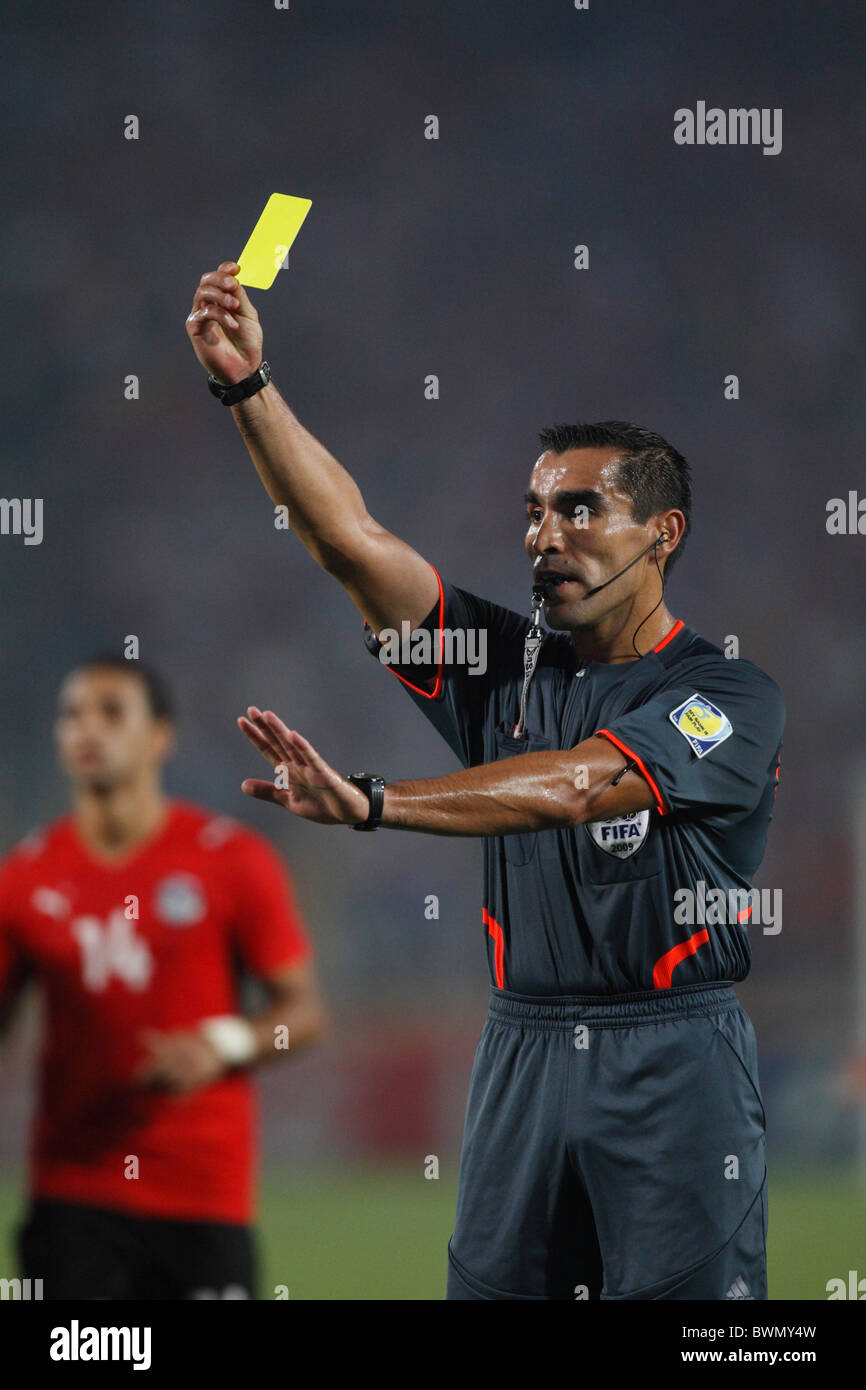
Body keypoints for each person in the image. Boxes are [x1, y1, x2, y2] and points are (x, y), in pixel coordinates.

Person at [185, 262, 784, 1301]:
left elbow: (581, 788)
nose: (542, 535)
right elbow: (348, 542)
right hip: (520, 1049)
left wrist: (375, 803)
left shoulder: (725, 694)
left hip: (672, 1055)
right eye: (533, 510)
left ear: (661, 533)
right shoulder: (500, 668)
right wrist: (248, 385)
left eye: (579, 510)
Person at [0, 655, 326, 1299]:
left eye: (111, 712)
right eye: (71, 716)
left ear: (159, 737)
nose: (86, 729)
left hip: (201, 1195)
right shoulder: (24, 877)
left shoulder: (232, 861)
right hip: (73, 1195)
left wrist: (223, 1045)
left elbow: (304, 1012)